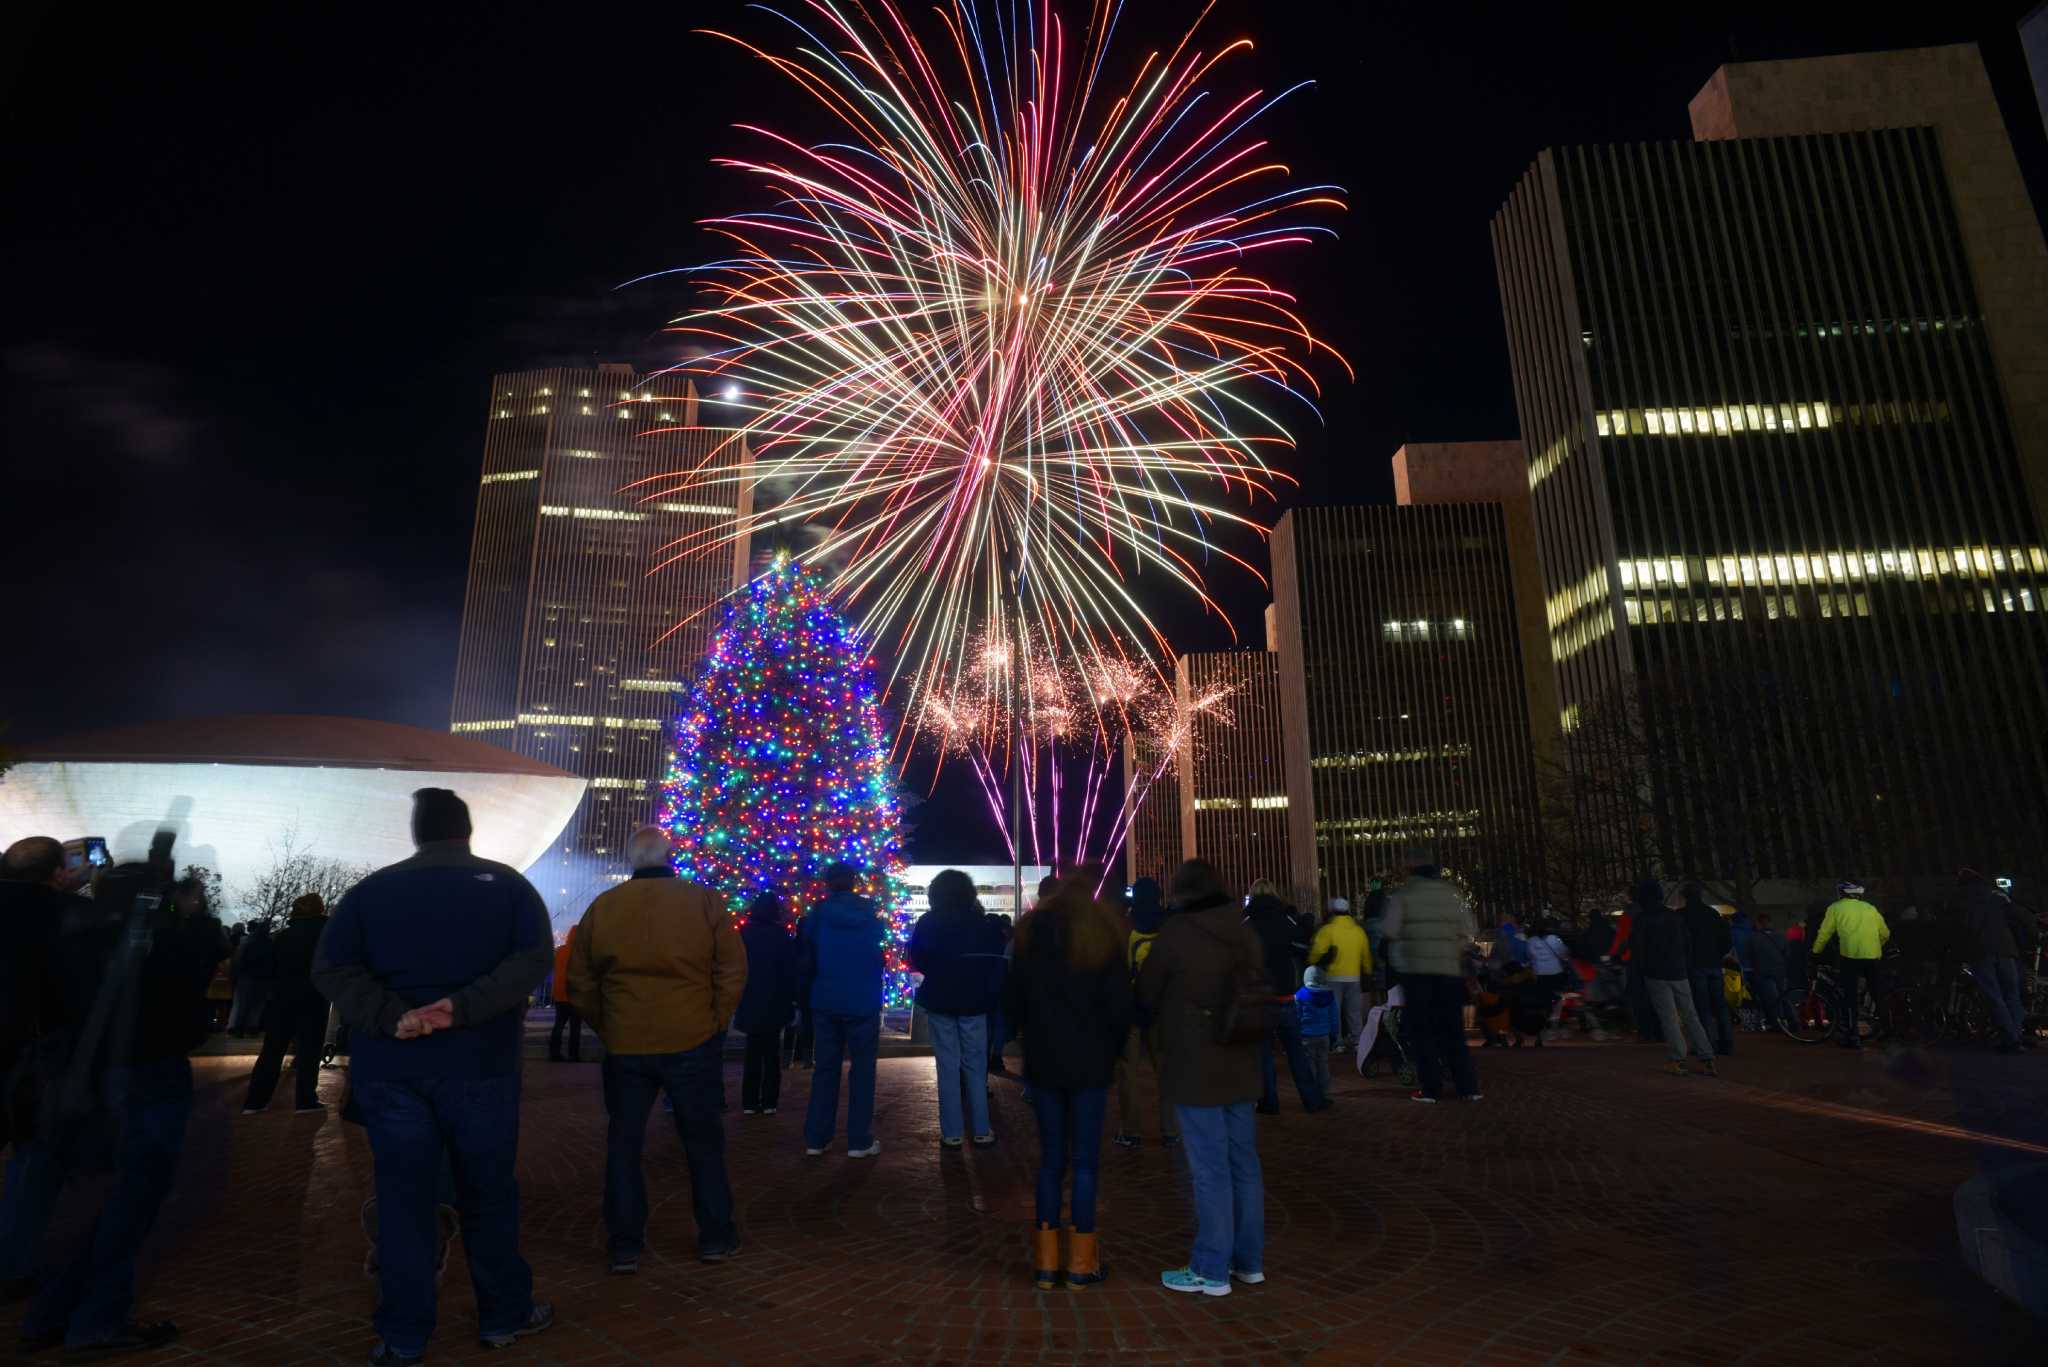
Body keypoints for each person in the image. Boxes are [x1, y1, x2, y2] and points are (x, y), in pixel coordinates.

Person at [313, 787, 555, 1364]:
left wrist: (390, 1015)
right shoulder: (510, 888)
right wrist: (460, 1008)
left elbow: (330, 967)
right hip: (480, 1063)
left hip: (393, 1066)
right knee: (489, 1194)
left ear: (417, 832)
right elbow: (532, 959)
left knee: (403, 1199)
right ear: (466, 831)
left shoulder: (371, 891)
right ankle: (503, 1315)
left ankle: (402, 1334)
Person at [11, 837, 227, 1356]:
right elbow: (191, 1014)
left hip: (79, 1078)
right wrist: (189, 914)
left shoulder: (73, 932)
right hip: (149, 1078)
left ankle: (49, 1314)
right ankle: (96, 1321)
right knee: (131, 1204)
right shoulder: (163, 942)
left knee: (89, 1202)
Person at [566, 825, 745, 1272]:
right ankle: (715, 1236)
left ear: (632, 861)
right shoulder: (703, 901)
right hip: (691, 1037)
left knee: (624, 1143)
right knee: (702, 1142)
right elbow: (731, 969)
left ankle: (625, 1243)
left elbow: (580, 980)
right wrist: (715, 1020)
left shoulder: (605, 907)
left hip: (627, 1041)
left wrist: (607, 1024)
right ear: (671, 856)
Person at [1138, 860, 1264, 1297]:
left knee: (1208, 1169)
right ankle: (1249, 1261)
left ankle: (1211, 1268)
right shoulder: (1242, 929)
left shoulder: (1178, 934)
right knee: (1244, 1165)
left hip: (1195, 1063)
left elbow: (1146, 995)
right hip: (1241, 1059)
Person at [1007, 879, 1132, 1289]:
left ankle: (1046, 1263)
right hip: (1090, 1064)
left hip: (1045, 1061)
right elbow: (1119, 1009)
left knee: (1049, 1161)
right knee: (1084, 1164)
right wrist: (1111, 1053)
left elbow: (1014, 1004)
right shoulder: (1103, 941)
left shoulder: (1030, 940)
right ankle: (1081, 1262)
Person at [0, 838, 85, 1302]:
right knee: (32, 1160)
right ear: (56, 872)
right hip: (35, 1051)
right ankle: (13, 1264)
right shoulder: (62, 913)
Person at [909, 869, 1004, 1148]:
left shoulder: (928, 922)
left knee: (947, 1066)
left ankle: (951, 1132)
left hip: (940, 999)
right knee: (975, 1066)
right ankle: (982, 1128)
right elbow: (993, 961)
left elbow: (918, 958)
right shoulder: (982, 924)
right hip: (974, 1001)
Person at [801, 862, 885, 1158]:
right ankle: (859, 1140)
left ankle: (816, 1138)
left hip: (826, 998)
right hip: (863, 999)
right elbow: (878, 945)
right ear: (853, 882)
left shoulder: (819, 913)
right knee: (863, 1071)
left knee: (825, 1070)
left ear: (828, 883)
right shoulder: (869, 911)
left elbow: (807, 945)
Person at [1380, 858, 1480, 1102]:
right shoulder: (1450, 894)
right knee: (1454, 1032)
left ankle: (1431, 1088)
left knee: (1422, 1033)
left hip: (1418, 972)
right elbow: (1469, 928)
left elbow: (1390, 931)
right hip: (1448, 972)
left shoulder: (1403, 896)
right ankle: (1468, 1088)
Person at [241, 892, 333, 1114]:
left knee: (272, 1050)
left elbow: (270, 967)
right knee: (309, 1050)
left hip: (281, 998)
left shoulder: (283, 936)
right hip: (313, 998)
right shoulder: (326, 935)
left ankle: (255, 1101)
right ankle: (305, 1100)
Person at [1246, 881, 1326, 1115]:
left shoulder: (1246, 922)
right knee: (1295, 1050)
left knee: (1263, 1053)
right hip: (1283, 992)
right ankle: (1311, 1099)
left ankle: (1269, 1101)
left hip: (1259, 995)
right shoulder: (1284, 918)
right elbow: (1302, 947)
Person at [1113, 877, 1177, 1149]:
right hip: (1161, 1007)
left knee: (1127, 1071)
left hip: (1129, 1008)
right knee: (1165, 1069)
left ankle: (1131, 1130)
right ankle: (1170, 1130)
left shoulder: (1125, 926)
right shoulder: (1168, 927)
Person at [1631, 878, 1715, 1075]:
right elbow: (1687, 943)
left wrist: (1640, 972)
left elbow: (1638, 949)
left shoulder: (1642, 919)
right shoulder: (1674, 917)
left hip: (1656, 973)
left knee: (1669, 1018)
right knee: (1690, 1015)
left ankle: (1678, 1059)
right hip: (1679, 971)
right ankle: (1707, 1056)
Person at [1949, 869, 2027, 1052]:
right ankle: (2016, 1035)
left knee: (1993, 995)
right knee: (2012, 993)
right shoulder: (1996, 896)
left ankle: (2010, 1039)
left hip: (1980, 951)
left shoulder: (1960, 900)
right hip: (2006, 950)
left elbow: (1957, 929)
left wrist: (1957, 953)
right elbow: (2020, 916)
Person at [736, 892, 798, 1115]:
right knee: (772, 1052)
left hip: (751, 997)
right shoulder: (781, 935)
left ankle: (750, 1101)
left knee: (752, 1051)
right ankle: (770, 1100)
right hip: (775, 999)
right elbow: (789, 971)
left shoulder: (744, 934)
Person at [1812, 880, 1889, 1050]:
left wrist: (1815, 951)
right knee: (1878, 994)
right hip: (1873, 956)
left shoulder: (1835, 908)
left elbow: (1825, 933)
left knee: (1849, 997)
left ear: (1842, 893)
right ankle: (1888, 1031)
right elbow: (1885, 933)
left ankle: (1852, 1036)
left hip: (1850, 956)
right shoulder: (1870, 908)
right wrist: (1877, 946)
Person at [1308, 896, 1370, 1051]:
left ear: (1333, 912)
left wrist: (1311, 960)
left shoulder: (1327, 930)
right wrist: (1367, 972)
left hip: (1333, 976)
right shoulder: (1358, 931)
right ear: (1348, 911)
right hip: (1354, 976)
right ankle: (1357, 1041)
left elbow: (1316, 952)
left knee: (1334, 1011)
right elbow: (1366, 955)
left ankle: (1338, 1042)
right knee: (1354, 1012)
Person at [1681, 884, 1734, 1056]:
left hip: (1695, 964)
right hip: (1714, 964)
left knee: (1701, 1006)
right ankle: (1726, 1042)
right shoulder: (1712, 914)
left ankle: (1706, 1043)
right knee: (1719, 1005)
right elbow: (1726, 939)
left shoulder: (1682, 916)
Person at [1524, 918, 1573, 1038]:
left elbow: (1529, 956)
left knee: (1545, 1000)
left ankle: (1548, 1026)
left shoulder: (1530, 941)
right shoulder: (1553, 939)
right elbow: (1563, 953)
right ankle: (1560, 1025)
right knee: (1559, 998)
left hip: (1540, 973)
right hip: (1556, 971)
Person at [227, 918, 276, 1038]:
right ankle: (253, 1026)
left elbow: (239, 959)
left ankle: (238, 1027)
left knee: (243, 1003)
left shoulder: (248, 942)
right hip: (264, 977)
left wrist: (235, 974)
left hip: (247, 975)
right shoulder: (271, 944)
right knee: (258, 1004)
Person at [1295, 967, 1336, 1095]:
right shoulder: (1329, 995)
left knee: (1310, 1063)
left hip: (1306, 1035)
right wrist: (1334, 1033)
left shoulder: (1300, 995)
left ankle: (1312, 1092)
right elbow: (1334, 1016)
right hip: (1324, 1035)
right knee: (1323, 1062)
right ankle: (1323, 1090)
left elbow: (1297, 1016)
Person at [548, 925, 583, 1063]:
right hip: (575, 994)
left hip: (559, 993)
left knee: (559, 1025)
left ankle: (554, 1053)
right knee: (575, 1027)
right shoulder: (581, 954)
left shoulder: (560, 951)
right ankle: (573, 1054)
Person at [1748, 913, 1788, 1029]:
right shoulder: (1780, 935)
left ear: (1759, 923)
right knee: (1784, 996)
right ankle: (1793, 1022)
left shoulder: (1753, 937)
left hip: (1763, 971)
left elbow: (1749, 955)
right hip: (1780, 970)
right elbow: (1787, 953)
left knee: (1772, 999)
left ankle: (1778, 1023)